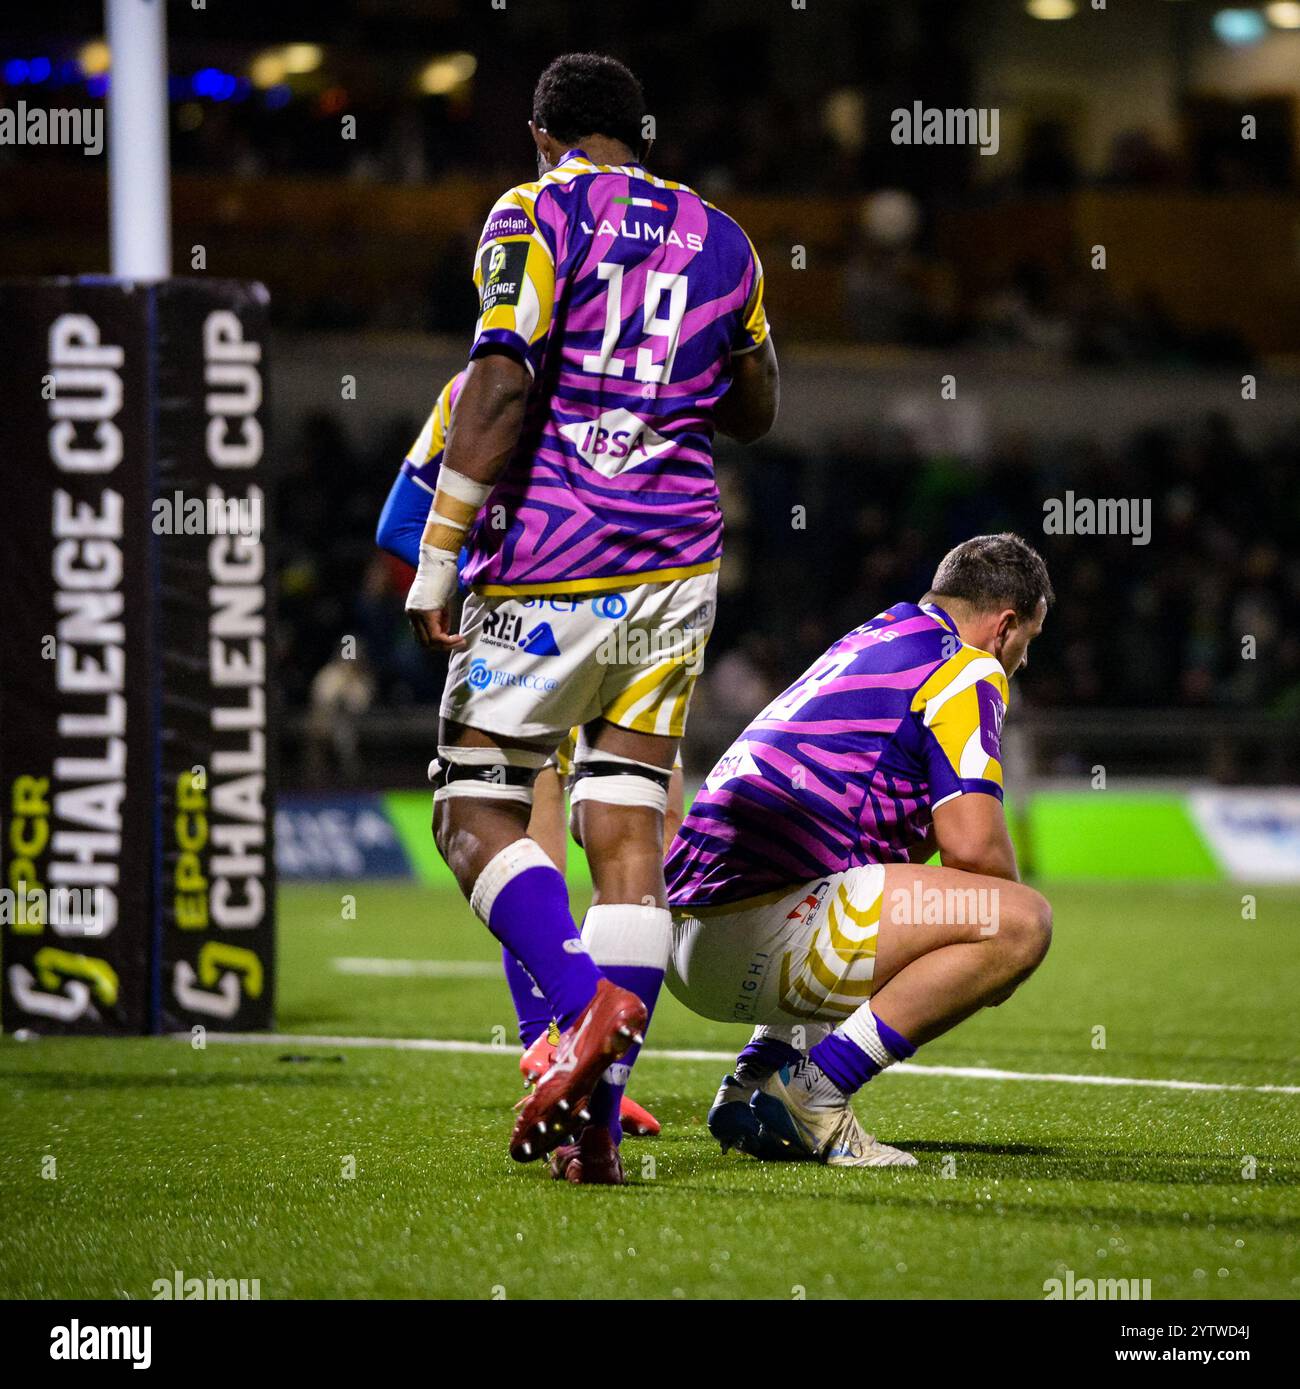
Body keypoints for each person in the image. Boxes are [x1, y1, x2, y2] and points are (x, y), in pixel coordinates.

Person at [403, 53, 778, 1183]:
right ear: (641, 132)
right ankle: (598, 1131)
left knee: (473, 809)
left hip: (554, 558)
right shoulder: (725, 239)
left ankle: (578, 1009)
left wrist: (437, 556)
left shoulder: (531, 213)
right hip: (680, 563)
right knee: (624, 828)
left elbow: (501, 381)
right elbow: (755, 410)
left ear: (538, 132)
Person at [663, 534, 1054, 1167]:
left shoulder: (878, 636)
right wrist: (1004, 954)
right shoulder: (969, 666)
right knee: (1019, 921)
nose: (1022, 662)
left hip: (683, 940)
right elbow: (976, 851)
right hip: (754, 935)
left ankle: (753, 1082)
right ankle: (815, 1095)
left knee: (883, 879)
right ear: (1005, 625)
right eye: (1028, 643)